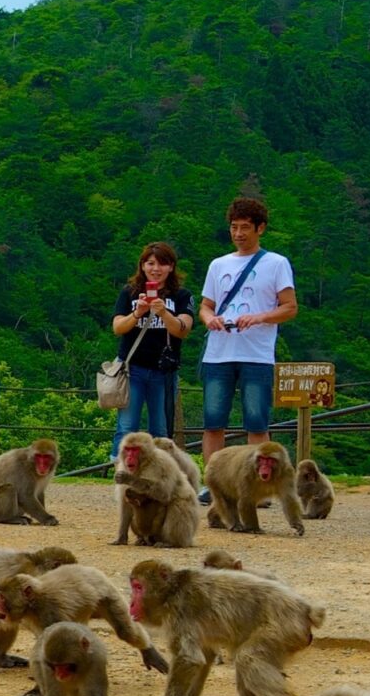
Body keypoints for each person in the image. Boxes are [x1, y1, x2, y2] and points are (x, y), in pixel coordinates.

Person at [197, 196, 297, 499]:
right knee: (214, 421)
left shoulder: (277, 263)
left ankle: (257, 486)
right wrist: (210, 320)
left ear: (260, 228)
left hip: (256, 353)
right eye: (234, 227)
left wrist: (259, 317)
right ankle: (214, 484)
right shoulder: (218, 264)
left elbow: (290, 307)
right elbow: (205, 306)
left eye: (245, 228)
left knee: (256, 420)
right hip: (219, 352)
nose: (238, 234)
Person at [108, 242, 193, 460]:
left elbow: (182, 330)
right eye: (150, 263)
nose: (156, 269)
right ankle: (121, 471)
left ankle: (161, 472)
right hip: (131, 368)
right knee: (126, 426)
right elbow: (118, 327)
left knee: (161, 430)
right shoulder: (129, 293)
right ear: (143, 266)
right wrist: (138, 313)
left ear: (171, 267)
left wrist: (164, 313)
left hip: (164, 371)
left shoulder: (181, 295)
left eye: (162, 263)